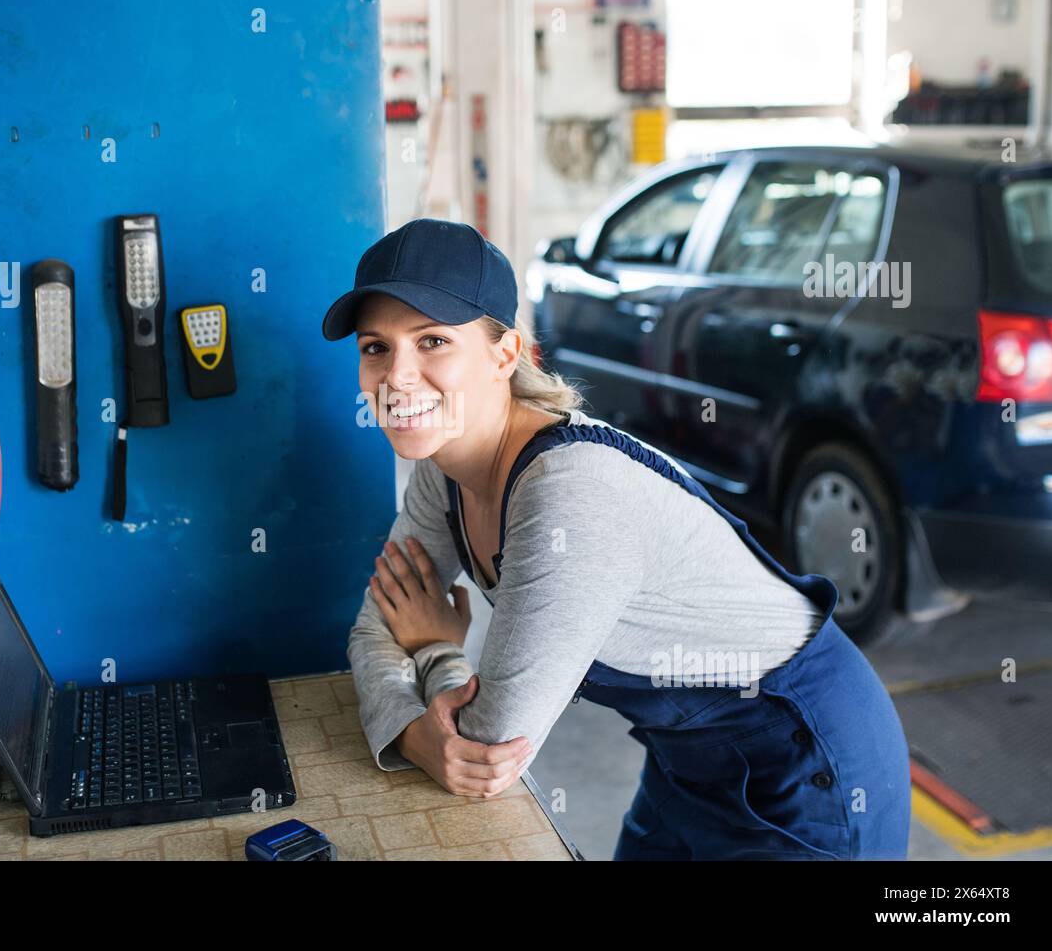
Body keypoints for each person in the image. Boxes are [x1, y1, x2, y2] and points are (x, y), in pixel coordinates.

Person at [322, 218, 911, 860]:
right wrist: (414, 734)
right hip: (688, 763)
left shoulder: (570, 495)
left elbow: (490, 748)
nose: (398, 378)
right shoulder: (444, 473)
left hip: (806, 764)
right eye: (376, 347)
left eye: (432, 340)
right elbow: (372, 629)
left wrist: (434, 649)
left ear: (504, 354)